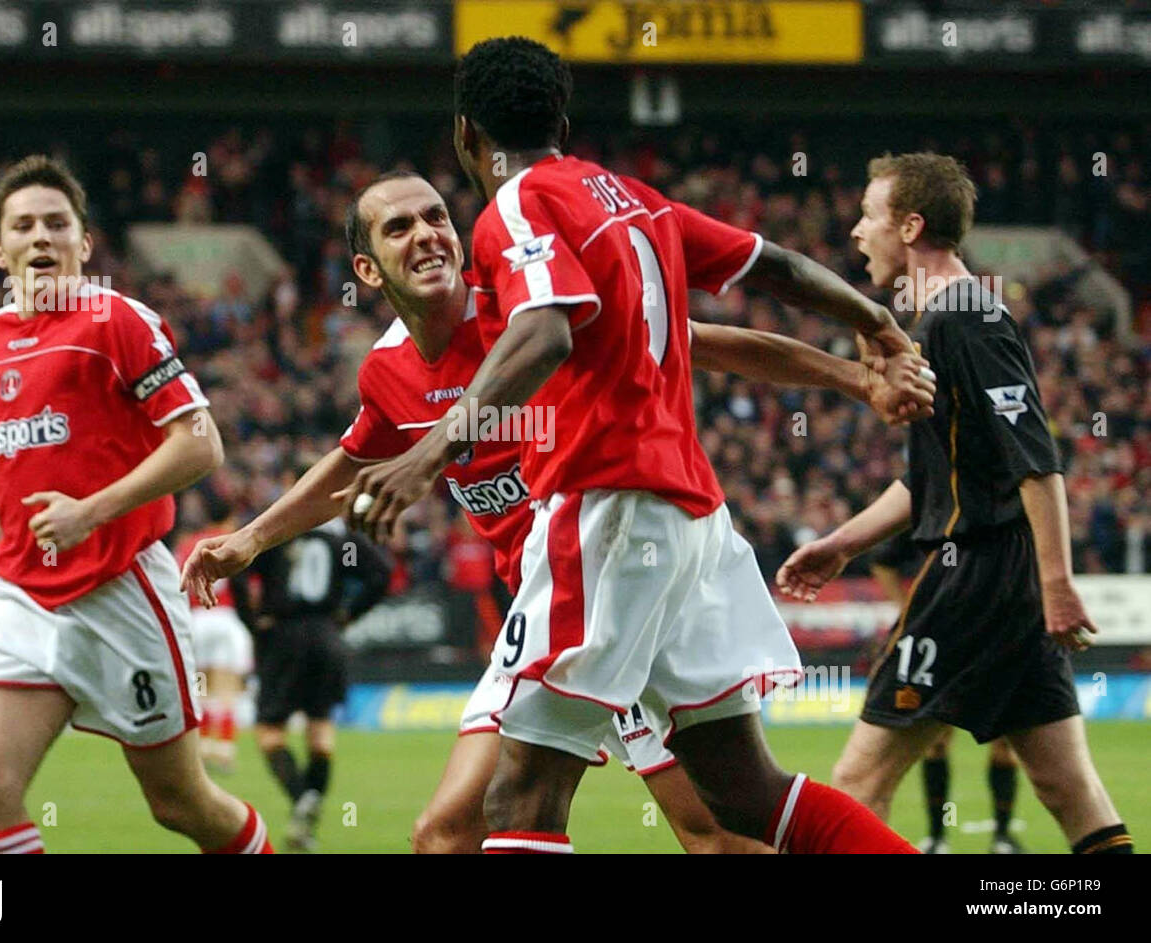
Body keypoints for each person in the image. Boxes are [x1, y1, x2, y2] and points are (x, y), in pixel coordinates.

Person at [183, 170, 933, 853]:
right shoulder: (388, 370)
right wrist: (248, 539)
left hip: (617, 565)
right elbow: (348, 459)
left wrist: (849, 378)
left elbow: (701, 341)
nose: (427, 234)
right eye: (399, 227)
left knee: (709, 828)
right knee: (454, 833)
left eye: (436, 216)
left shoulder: (526, 309)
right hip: (548, 605)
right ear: (367, 270)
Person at [332, 38, 929, 854]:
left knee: (522, 795)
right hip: (693, 518)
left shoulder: (515, 211)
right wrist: (877, 324)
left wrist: (429, 452)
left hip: (607, 508)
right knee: (744, 796)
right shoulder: (632, 197)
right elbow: (776, 264)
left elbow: (540, 331)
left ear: (467, 134)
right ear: (563, 120)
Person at [778, 152, 1133, 855]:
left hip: (976, 575)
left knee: (855, 783)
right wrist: (842, 543)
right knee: (1069, 789)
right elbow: (927, 483)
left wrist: (1059, 583)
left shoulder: (965, 316)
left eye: (869, 217)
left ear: (910, 226)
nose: (855, 232)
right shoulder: (939, 323)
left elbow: (1035, 456)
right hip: (1008, 581)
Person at [0, 155, 271, 854]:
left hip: (120, 589)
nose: (41, 238)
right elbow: (2, 452)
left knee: (182, 805)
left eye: (57, 224)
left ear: (83, 243)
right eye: (23, 226)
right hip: (24, 596)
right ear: (0, 250)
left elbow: (201, 445)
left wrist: (89, 510)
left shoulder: (116, 320)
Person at [232, 500, 391, 852]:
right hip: (326, 637)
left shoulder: (275, 531)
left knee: (270, 732)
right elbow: (381, 574)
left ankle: (302, 796)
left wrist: (252, 622)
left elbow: (239, 572)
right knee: (320, 730)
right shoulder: (343, 540)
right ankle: (307, 815)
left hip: (283, 636)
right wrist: (348, 615)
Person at [870, 536, 1025, 854]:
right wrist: (907, 610)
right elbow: (882, 561)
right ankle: (937, 837)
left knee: (1004, 743)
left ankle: (1002, 837)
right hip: (939, 640)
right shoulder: (931, 508)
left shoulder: (1001, 513)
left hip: (997, 636)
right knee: (936, 742)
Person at [174, 490, 254, 773]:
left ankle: (203, 747)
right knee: (228, 688)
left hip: (197, 620)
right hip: (226, 618)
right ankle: (225, 750)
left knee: (201, 687)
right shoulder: (234, 542)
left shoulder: (187, 545)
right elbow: (246, 586)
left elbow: (178, 586)